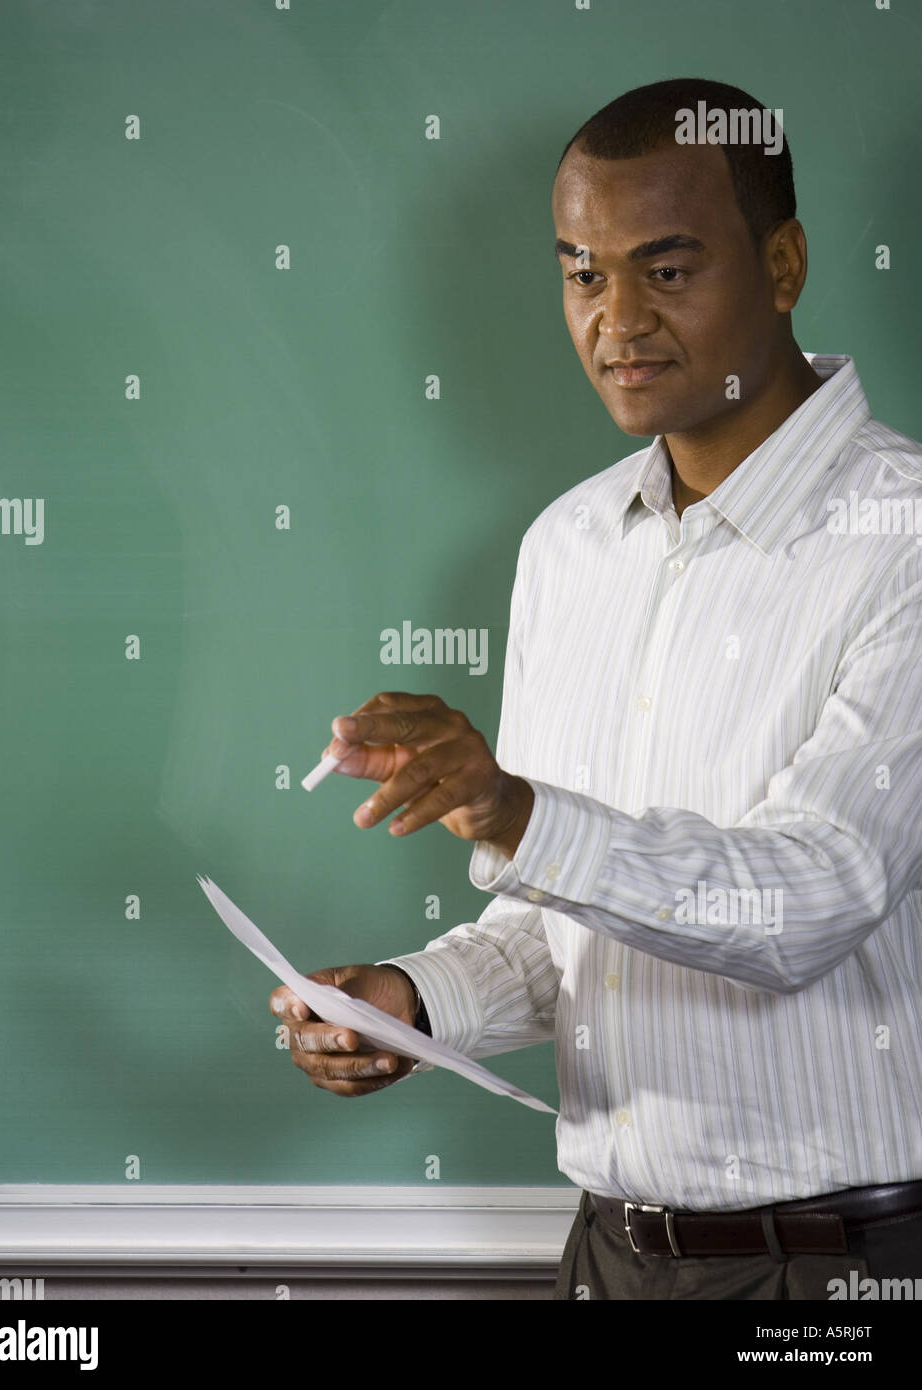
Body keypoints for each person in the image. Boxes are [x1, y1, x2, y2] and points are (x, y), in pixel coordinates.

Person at [270, 77, 922, 1300]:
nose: (617, 319)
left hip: (845, 1269)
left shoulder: (905, 541)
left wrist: (516, 814)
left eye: (667, 270)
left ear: (782, 264)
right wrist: (415, 1002)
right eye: (583, 273)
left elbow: (811, 899)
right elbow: (566, 924)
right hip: (608, 1256)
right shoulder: (570, 550)